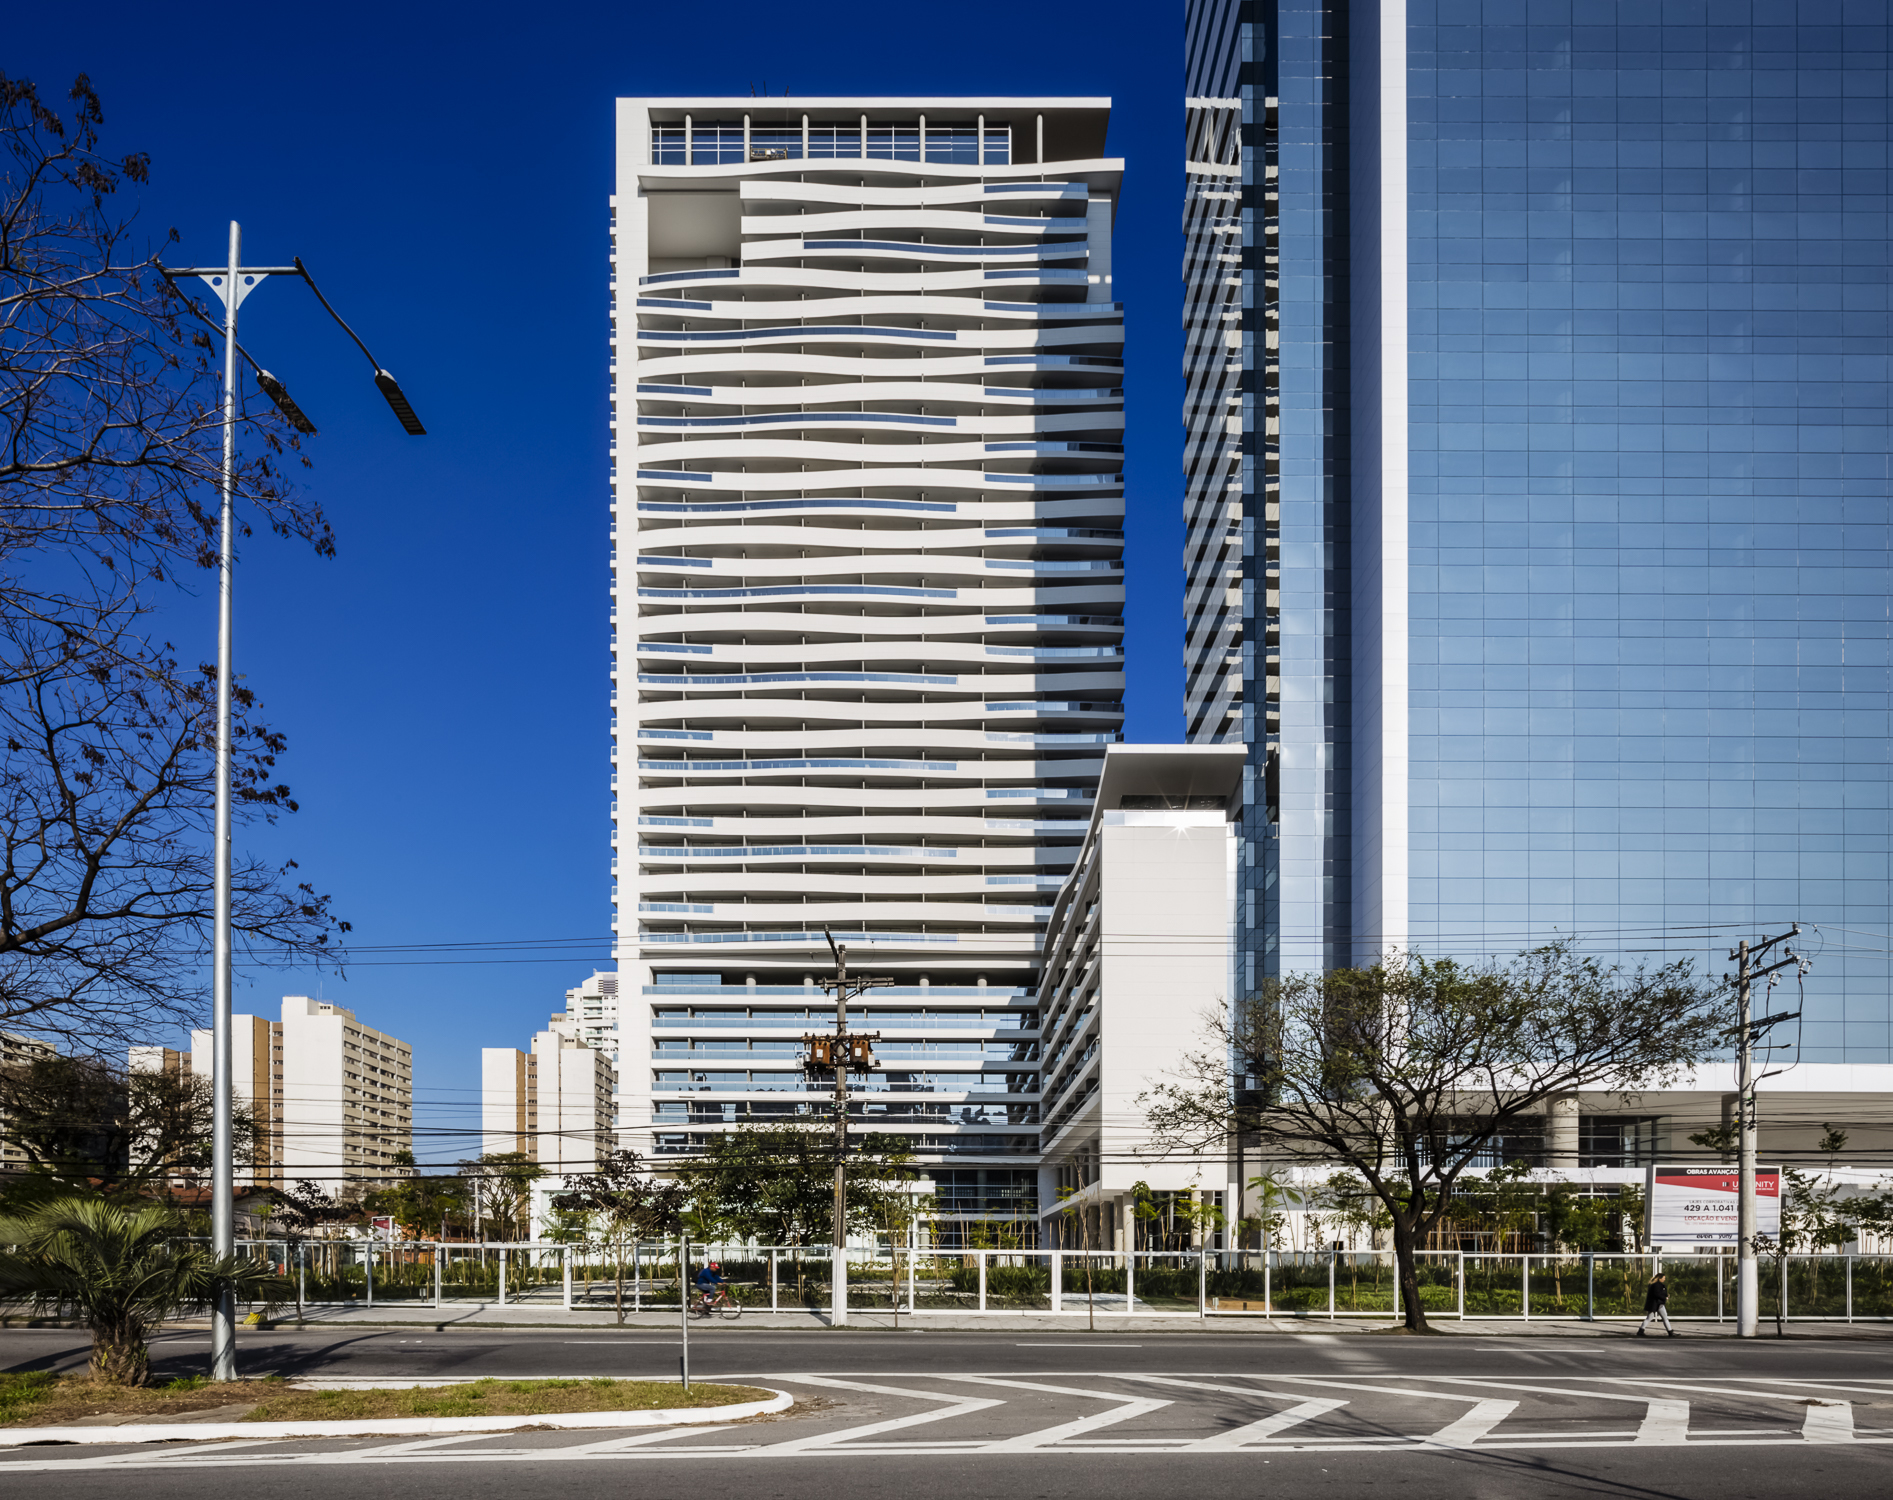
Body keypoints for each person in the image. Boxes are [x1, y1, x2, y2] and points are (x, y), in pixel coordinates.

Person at [1637, 1272, 1675, 1336]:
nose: (1664, 1279)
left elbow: (1659, 1293)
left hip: (1655, 1304)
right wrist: (1665, 1297)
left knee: (1650, 1318)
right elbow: (1657, 1294)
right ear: (1660, 1278)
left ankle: (1641, 1330)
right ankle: (1670, 1332)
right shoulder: (1657, 1285)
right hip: (1658, 1304)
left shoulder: (1655, 1285)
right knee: (1664, 1318)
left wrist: (1665, 1296)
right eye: (1663, 1278)